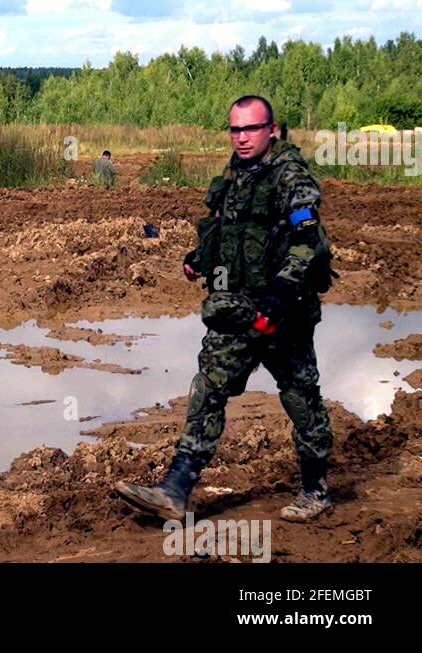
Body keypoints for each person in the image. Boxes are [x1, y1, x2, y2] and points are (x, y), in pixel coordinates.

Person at [114, 95, 337, 524]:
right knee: (208, 388)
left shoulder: (290, 177)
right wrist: (201, 257)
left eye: (251, 129)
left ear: (271, 130)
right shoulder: (235, 175)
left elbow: (308, 242)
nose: (242, 137)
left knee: (300, 398)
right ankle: (175, 490)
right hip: (236, 310)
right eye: (235, 130)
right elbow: (230, 233)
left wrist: (280, 294)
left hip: (282, 313)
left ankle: (315, 490)